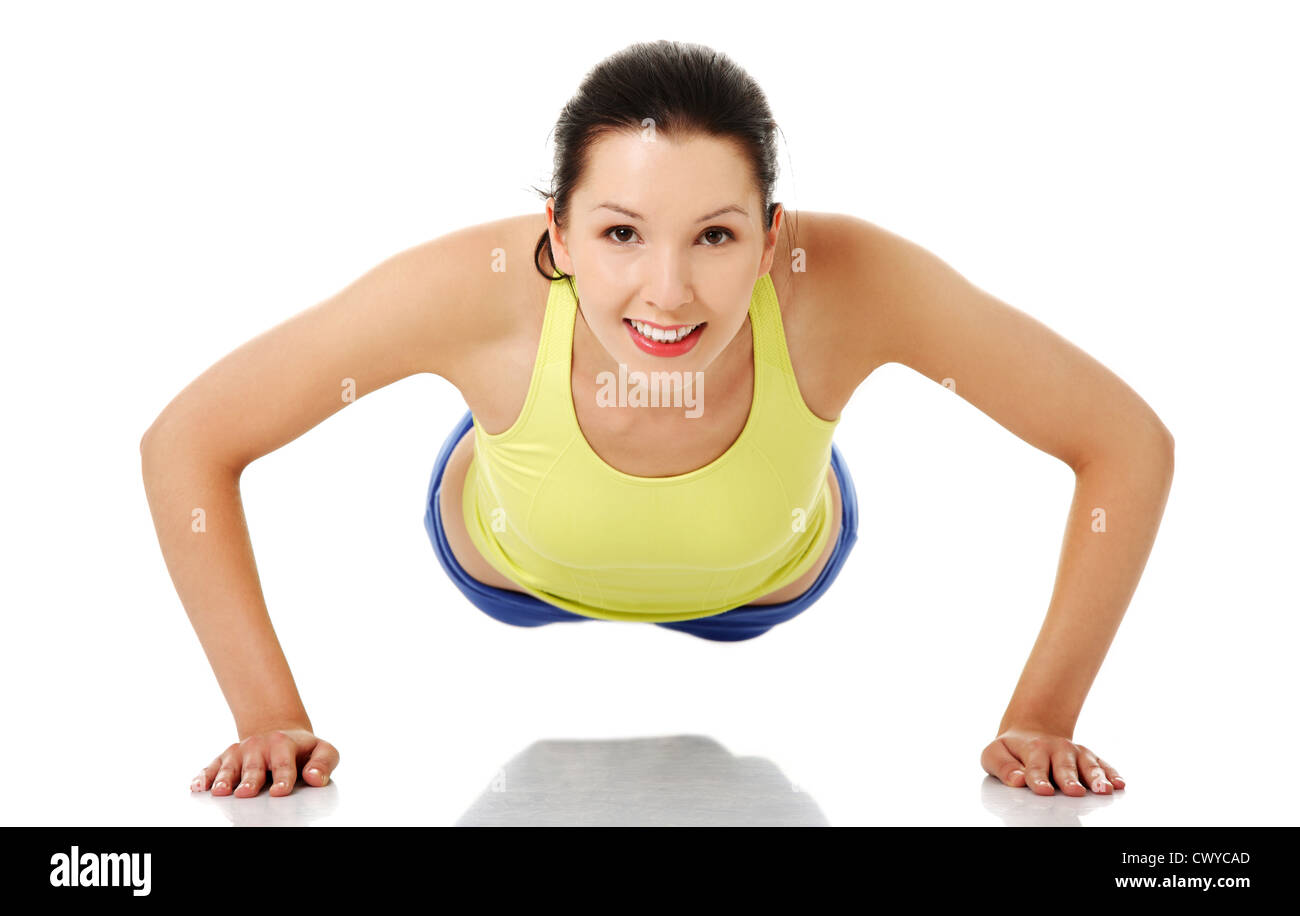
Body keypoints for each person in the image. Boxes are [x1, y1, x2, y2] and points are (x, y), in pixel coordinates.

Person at [141, 40, 1173, 802]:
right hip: (509, 555)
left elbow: (1124, 443)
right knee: (525, 440)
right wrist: (267, 715)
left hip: (770, 566)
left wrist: (1041, 715)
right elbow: (188, 441)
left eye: (715, 234)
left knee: (770, 439)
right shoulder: (470, 288)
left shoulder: (851, 281)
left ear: (773, 239)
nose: (667, 292)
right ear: (557, 229)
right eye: (621, 233)